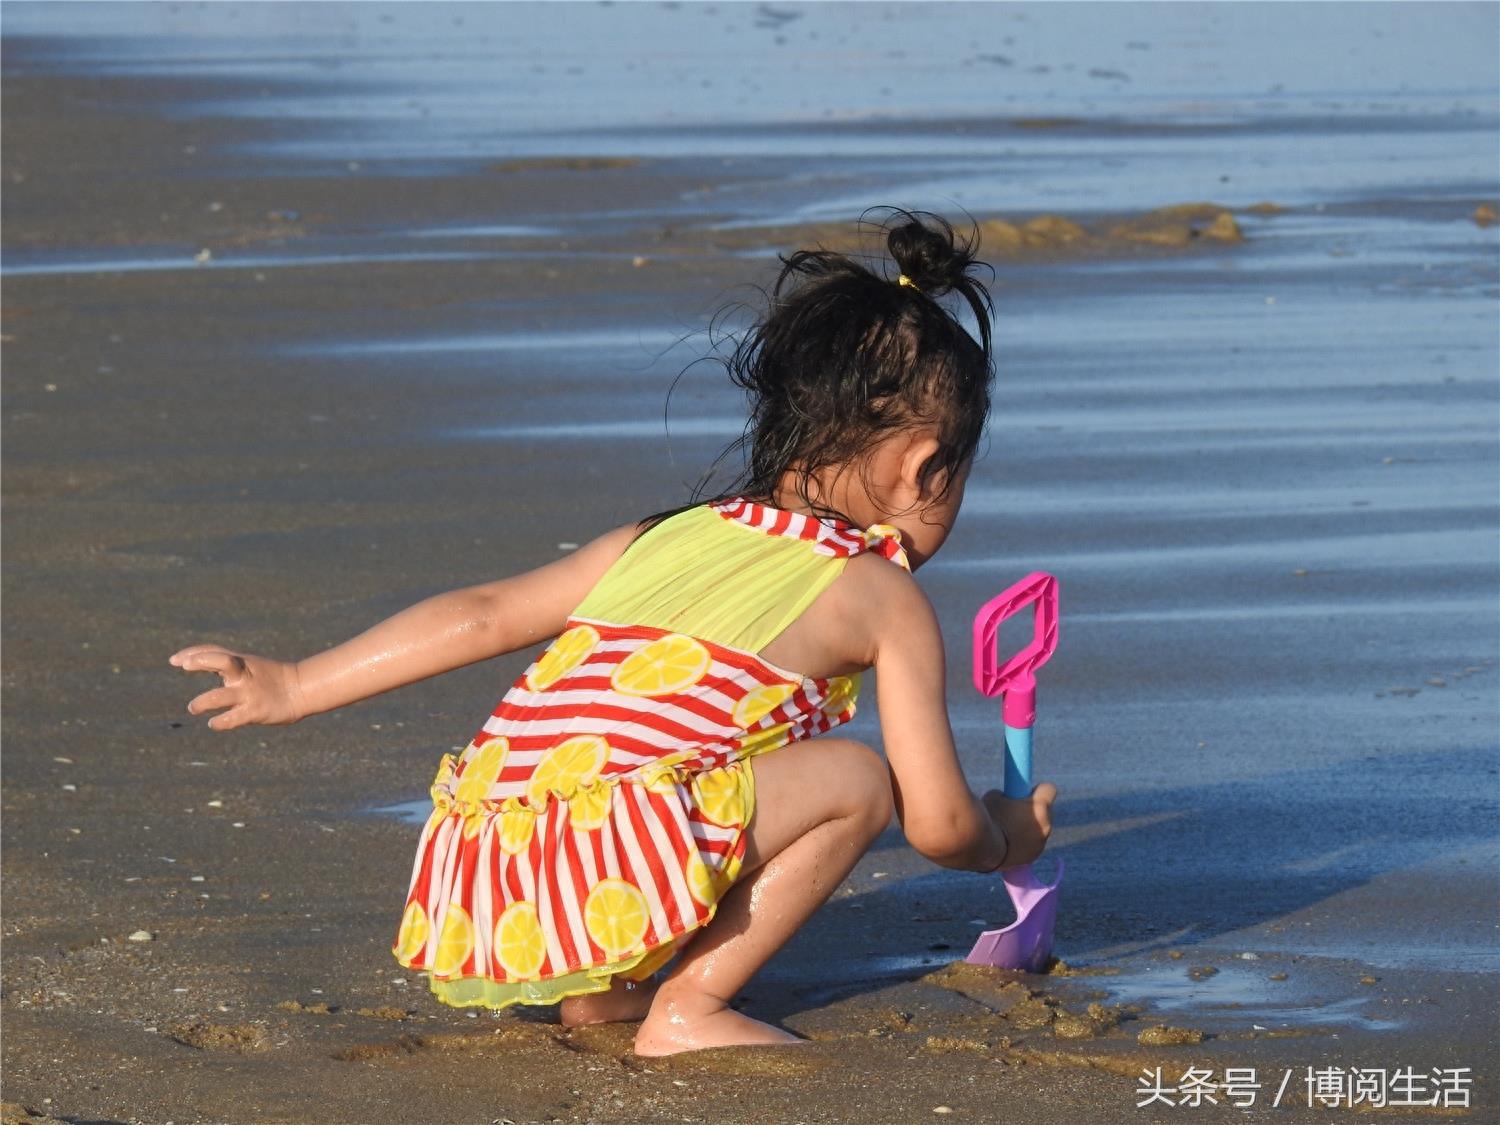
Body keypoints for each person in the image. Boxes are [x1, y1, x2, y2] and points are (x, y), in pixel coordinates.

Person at [169, 207, 1058, 1057]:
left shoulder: (659, 535)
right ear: (922, 466)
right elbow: (939, 823)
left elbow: (483, 613)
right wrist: (1006, 837)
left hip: (489, 861)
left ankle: (603, 990)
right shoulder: (879, 594)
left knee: (670, 769)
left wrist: (298, 684)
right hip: (600, 857)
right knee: (858, 780)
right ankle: (688, 1006)